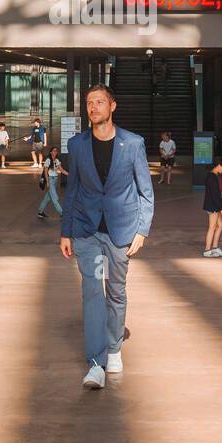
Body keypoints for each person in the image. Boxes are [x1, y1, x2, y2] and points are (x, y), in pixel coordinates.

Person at [60, 84, 154, 390]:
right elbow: (72, 190)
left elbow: (145, 192)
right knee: (92, 293)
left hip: (120, 232)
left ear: (112, 106)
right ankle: (96, 363)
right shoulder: (77, 145)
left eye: (99, 102)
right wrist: (66, 232)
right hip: (87, 231)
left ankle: (114, 349)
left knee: (115, 292)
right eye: (89, 103)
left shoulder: (134, 143)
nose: (93, 107)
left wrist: (142, 229)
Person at [202, 154, 222, 258]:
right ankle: (207, 250)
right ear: (218, 165)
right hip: (213, 206)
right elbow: (215, 195)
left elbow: (217, 194)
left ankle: (215, 248)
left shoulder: (214, 175)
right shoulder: (212, 177)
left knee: (221, 225)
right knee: (212, 227)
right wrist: (221, 209)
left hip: (214, 205)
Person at [37, 146, 65, 220]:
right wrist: (48, 182)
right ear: (50, 152)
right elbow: (45, 172)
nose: (55, 152)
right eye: (53, 151)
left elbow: (61, 169)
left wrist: (69, 174)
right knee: (54, 198)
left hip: (55, 180)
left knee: (47, 198)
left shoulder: (57, 160)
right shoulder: (48, 160)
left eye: (56, 151)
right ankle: (62, 213)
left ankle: (40, 212)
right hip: (50, 180)